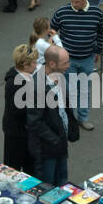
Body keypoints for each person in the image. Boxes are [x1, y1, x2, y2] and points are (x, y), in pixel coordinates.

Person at [51, 0, 103, 131]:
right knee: (68, 91)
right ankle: (69, 118)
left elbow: (101, 33)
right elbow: (51, 31)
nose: (74, 5)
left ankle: (83, 118)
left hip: (87, 58)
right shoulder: (62, 12)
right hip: (67, 60)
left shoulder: (96, 13)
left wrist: (98, 52)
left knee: (84, 90)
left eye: (77, 2)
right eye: (72, 1)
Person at [26, 45, 80, 186]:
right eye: (65, 63)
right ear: (51, 64)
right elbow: (34, 122)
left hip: (60, 143)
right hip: (47, 149)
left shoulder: (58, 76)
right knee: (48, 186)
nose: (69, 66)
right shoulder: (36, 87)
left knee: (62, 182)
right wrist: (56, 139)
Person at [3, 45, 38, 172]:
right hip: (17, 134)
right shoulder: (14, 84)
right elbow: (16, 110)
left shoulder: (26, 76)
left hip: (25, 132)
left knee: (31, 167)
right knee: (14, 170)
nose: (36, 65)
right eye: (34, 62)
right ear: (25, 64)